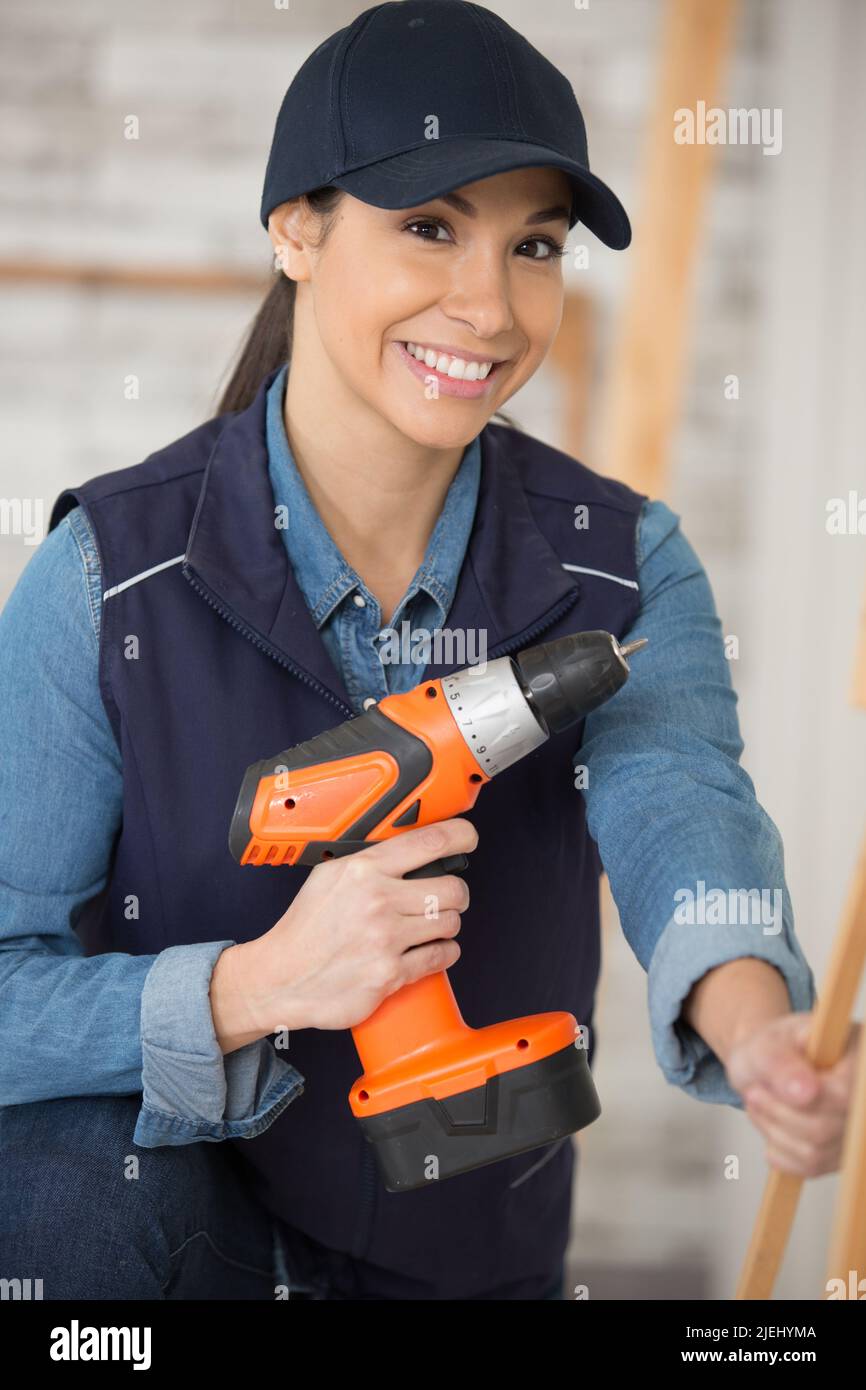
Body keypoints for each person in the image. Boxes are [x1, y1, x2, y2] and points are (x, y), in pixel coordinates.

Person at [0, 0, 859, 1302]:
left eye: (533, 245)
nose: (488, 304)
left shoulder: (619, 565)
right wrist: (252, 985)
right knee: (59, 1184)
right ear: (294, 229)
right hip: (170, 1253)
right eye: (428, 228)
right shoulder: (109, 576)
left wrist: (756, 1028)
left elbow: (679, 799)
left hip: (469, 1252)